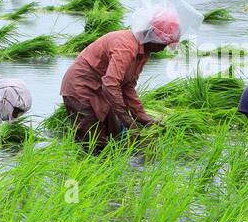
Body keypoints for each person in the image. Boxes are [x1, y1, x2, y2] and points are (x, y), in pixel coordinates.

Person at [59, 9, 180, 150]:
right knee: (93, 144)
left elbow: (127, 87)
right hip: (81, 89)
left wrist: (142, 117)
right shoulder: (126, 47)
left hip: (102, 90)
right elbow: (110, 84)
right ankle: (81, 169)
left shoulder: (143, 52)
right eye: (163, 43)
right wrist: (127, 120)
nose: (163, 48)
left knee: (114, 141)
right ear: (151, 36)